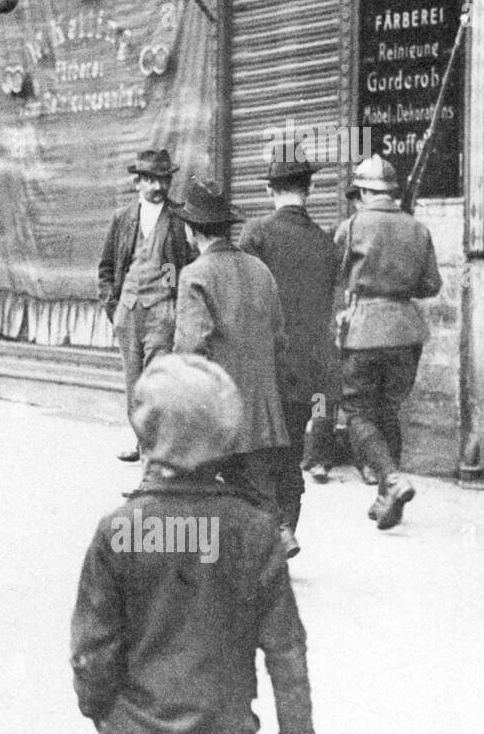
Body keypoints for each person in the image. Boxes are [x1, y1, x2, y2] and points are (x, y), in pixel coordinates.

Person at [70, 353, 314, 734]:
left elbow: (93, 648)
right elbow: (285, 645)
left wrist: (100, 714)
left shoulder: (119, 529)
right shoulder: (254, 531)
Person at [171, 178, 299, 557]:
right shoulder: (260, 270)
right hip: (262, 408)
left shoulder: (195, 274)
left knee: (196, 488)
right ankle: (278, 531)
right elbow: (280, 340)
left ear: (192, 231)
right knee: (257, 485)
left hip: (220, 410)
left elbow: (192, 348)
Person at [334, 155, 442, 530]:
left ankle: (391, 479)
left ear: (364, 192)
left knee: (359, 412)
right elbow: (431, 286)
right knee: (388, 412)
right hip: (407, 333)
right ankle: (387, 497)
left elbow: (337, 275)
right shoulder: (418, 229)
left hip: (364, 331)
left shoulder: (352, 226)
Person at [238, 159, 341, 532]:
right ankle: (287, 530)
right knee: (293, 449)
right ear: (309, 190)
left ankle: (271, 533)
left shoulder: (255, 235)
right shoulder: (326, 241)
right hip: (310, 367)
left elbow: (244, 301)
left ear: (269, 191)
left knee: (258, 456)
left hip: (265, 365)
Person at [97, 149, 195, 463]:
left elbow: (190, 267)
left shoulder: (180, 219)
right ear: (138, 181)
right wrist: (113, 308)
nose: (157, 186)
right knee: (134, 385)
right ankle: (143, 444)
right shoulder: (123, 218)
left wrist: (177, 309)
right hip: (128, 311)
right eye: (150, 179)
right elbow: (107, 267)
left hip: (162, 312)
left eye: (163, 179)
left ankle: (158, 458)